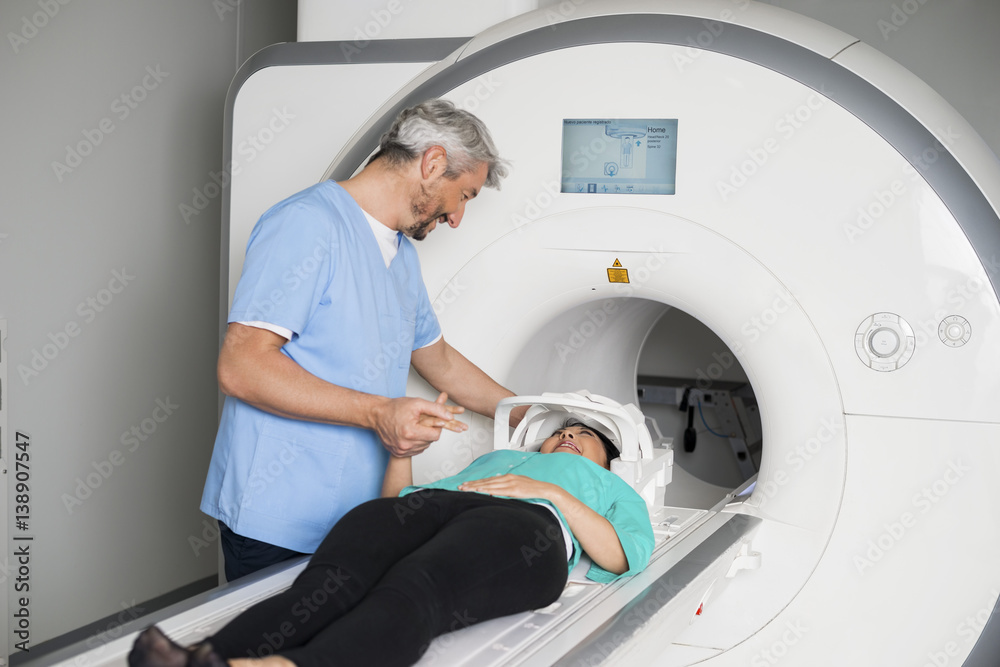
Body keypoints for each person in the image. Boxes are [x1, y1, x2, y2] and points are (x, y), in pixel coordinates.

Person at [200, 99, 527, 581]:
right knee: (270, 651)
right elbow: (241, 366)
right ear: (433, 162)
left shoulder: (401, 256)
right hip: (278, 513)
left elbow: (438, 360)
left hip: (354, 517)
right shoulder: (306, 224)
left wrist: (529, 413)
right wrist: (378, 412)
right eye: (464, 195)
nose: (457, 218)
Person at [131, 413, 655, 667]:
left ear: (607, 462)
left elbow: (622, 553)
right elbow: (399, 497)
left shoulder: (610, 487)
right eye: (563, 429)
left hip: (524, 526)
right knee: (329, 582)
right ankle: (203, 657)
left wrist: (547, 492)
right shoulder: (489, 460)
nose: (569, 435)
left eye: (584, 436)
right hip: (431, 505)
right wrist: (400, 451)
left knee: (414, 587)